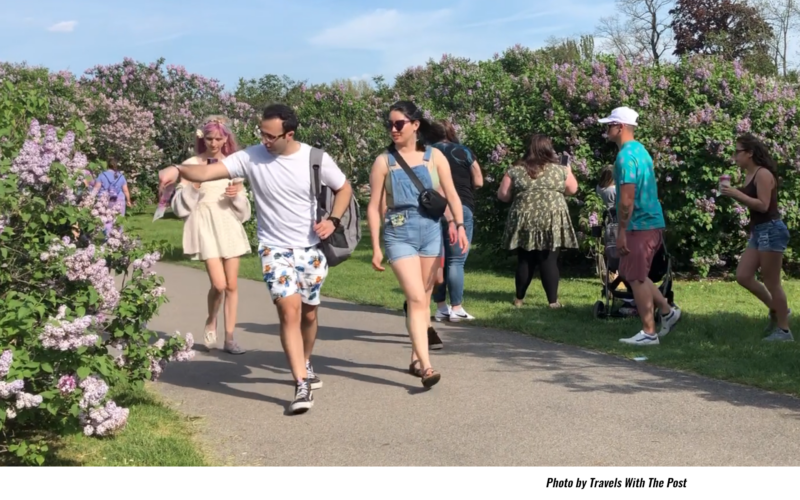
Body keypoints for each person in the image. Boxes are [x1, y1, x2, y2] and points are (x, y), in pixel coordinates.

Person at [158, 104, 354, 415]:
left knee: (308, 315)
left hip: (310, 249)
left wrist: (333, 219)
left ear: (289, 134)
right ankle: (300, 383)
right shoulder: (250, 157)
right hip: (273, 248)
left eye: (270, 135)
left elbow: (344, 188)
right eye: (261, 133)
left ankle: (305, 359)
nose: (264, 140)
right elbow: (207, 171)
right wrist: (178, 169)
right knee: (288, 312)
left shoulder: (315, 158)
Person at [366, 100, 469, 388]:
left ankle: (415, 356)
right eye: (390, 124)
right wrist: (375, 245)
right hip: (399, 234)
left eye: (399, 123)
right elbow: (374, 207)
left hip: (431, 232)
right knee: (414, 297)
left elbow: (452, 194)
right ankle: (426, 366)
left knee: (424, 298)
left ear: (415, 125)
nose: (393, 129)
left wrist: (458, 224)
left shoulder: (435, 157)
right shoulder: (383, 161)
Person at [598, 106, 681, 346]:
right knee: (630, 273)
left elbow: (626, 199)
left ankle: (649, 332)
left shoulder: (624, 157)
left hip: (639, 225)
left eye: (610, 124)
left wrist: (621, 231)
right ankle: (667, 311)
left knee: (636, 277)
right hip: (650, 222)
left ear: (620, 127)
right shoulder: (641, 151)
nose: (607, 129)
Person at [170, 116, 251, 355]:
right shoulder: (191, 164)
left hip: (228, 224)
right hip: (204, 226)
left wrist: (236, 195)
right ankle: (211, 319)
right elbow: (179, 207)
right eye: (209, 138)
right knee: (219, 284)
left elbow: (244, 210)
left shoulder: (232, 164)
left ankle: (229, 338)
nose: (214, 143)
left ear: (226, 139)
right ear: (201, 138)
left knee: (232, 285)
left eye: (218, 138)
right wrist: (192, 187)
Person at [720, 134, 793, 341]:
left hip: (771, 230)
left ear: (750, 153)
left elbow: (762, 204)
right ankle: (779, 310)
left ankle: (784, 330)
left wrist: (737, 194)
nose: (734, 157)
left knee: (772, 282)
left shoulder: (763, 174)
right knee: (743, 275)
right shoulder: (749, 174)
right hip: (759, 230)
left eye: (738, 152)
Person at [497, 134, 579, 308]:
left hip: (525, 218)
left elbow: (503, 196)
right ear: (549, 149)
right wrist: (568, 171)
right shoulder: (560, 169)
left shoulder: (515, 169)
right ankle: (552, 302)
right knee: (548, 259)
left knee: (525, 258)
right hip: (552, 218)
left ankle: (519, 299)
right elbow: (572, 189)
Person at [429, 120, 484, 322]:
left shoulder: (426, 152)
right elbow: (479, 181)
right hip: (462, 206)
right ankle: (457, 308)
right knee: (456, 260)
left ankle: (441, 307)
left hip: (434, 208)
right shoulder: (464, 152)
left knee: (436, 258)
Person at [381, 191, 445, 350]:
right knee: (420, 292)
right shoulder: (391, 167)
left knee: (437, 280)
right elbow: (383, 199)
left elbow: (443, 193)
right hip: (403, 228)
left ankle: (411, 305)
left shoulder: (435, 166)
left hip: (432, 227)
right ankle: (427, 328)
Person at [92, 158, 131, 234]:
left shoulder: (102, 175)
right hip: (119, 199)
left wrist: (90, 199)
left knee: (106, 218)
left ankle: (107, 236)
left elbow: (96, 189)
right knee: (119, 218)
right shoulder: (121, 176)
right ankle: (118, 236)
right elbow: (125, 190)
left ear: (107, 165)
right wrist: (128, 201)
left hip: (105, 199)